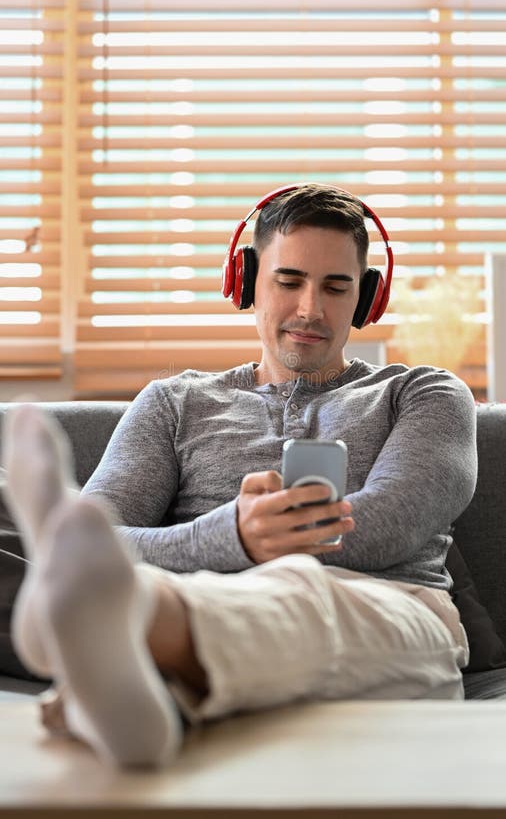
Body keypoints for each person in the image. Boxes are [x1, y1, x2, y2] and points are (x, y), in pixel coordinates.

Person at [2, 183, 477, 770]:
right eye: (289, 281)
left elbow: (393, 525)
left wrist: (261, 545)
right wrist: (229, 536)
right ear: (247, 281)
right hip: (213, 600)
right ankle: (143, 705)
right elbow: (103, 537)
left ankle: (114, 621)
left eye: (336, 287)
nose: (311, 309)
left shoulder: (423, 393)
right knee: (121, 570)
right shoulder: (174, 403)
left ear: (366, 298)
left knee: (302, 592)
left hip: (395, 614)